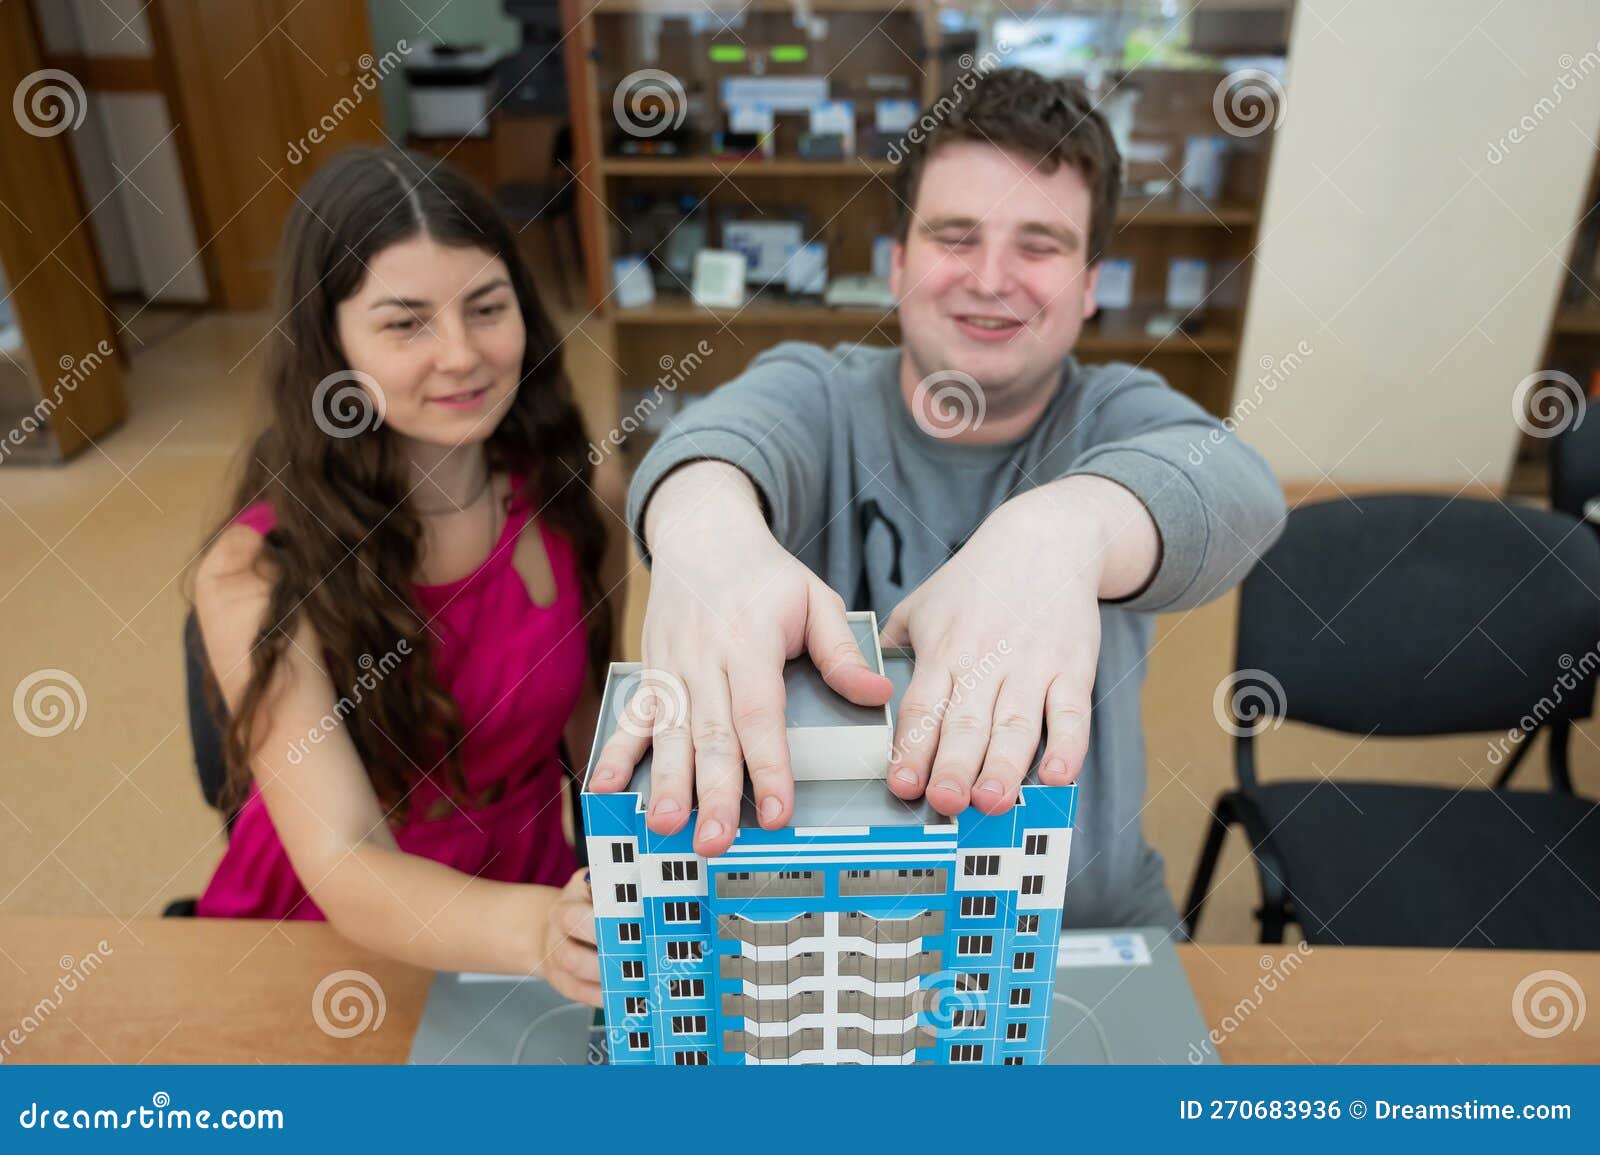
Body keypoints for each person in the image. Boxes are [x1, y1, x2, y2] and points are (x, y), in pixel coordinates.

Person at [593, 68, 1287, 931]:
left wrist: (1066, 527)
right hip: (825, 930)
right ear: (898, 263)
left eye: (1040, 244)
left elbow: (1237, 487)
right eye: (956, 236)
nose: (992, 278)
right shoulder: (824, 395)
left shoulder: (1112, 413)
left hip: (1083, 928)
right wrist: (706, 538)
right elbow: (715, 445)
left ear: (1091, 283)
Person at [192, 147, 616, 1002]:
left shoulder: (582, 495)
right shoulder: (252, 568)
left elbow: (595, 741)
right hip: (341, 923)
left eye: (486, 307)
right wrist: (535, 931)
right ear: (329, 344)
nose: (460, 355)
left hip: (536, 883)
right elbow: (345, 852)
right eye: (405, 322)